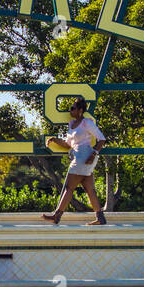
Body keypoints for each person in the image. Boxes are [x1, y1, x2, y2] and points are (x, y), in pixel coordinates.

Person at [42, 96, 108, 226]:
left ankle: (57, 216)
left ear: (80, 110)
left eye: (72, 108)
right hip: (78, 156)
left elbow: (102, 139)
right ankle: (100, 218)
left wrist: (94, 153)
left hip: (84, 157)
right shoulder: (72, 125)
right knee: (90, 190)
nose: (70, 111)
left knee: (69, 187)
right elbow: (68, 145)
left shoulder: (87, 123)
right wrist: (55, 139)